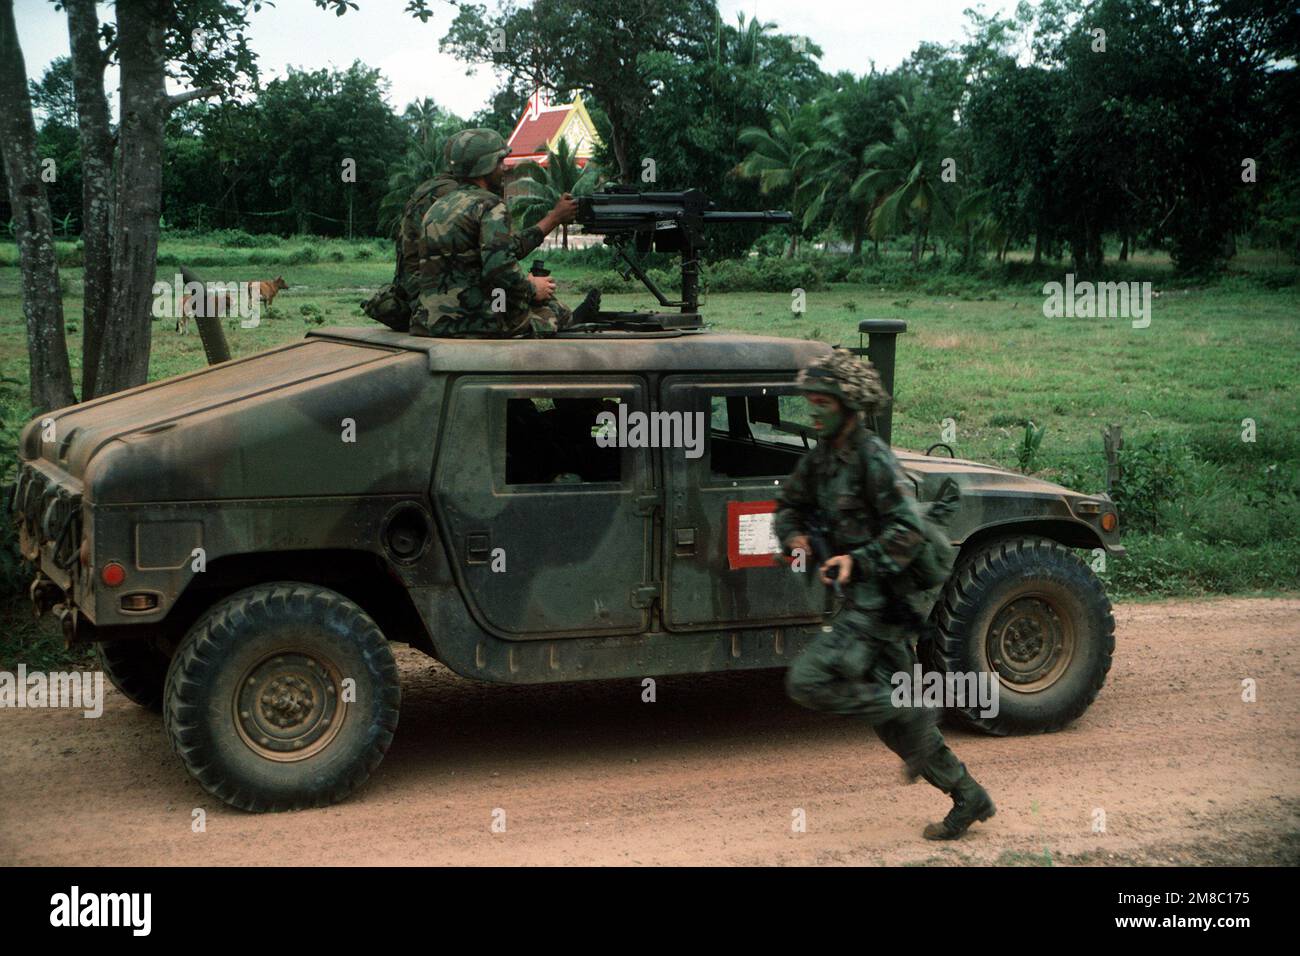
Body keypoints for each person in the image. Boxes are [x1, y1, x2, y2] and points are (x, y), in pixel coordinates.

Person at [775, 348, 996, 840]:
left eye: (822, 402)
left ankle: (905, 711)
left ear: (848, 405)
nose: (812, 410)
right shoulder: (821, 458)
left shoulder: (873, 458)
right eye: (809, 400)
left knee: (807, 680)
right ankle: (968, 797)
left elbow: (905, 530)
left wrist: (859, 559)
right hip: (862, 601)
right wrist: (794, 536)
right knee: (894, 721)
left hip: (883, 602)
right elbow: (788, 505)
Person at [414, 128, 598, 338]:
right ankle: (570, 318)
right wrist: (532, 288)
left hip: (429, 321)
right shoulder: (490, 205)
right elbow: (498, 268)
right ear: (485, 166)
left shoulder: (438, 206)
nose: (504, 168)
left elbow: (503, 249)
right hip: (475, 320)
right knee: (554, 310)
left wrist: (553, 218)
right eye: (500, 161)